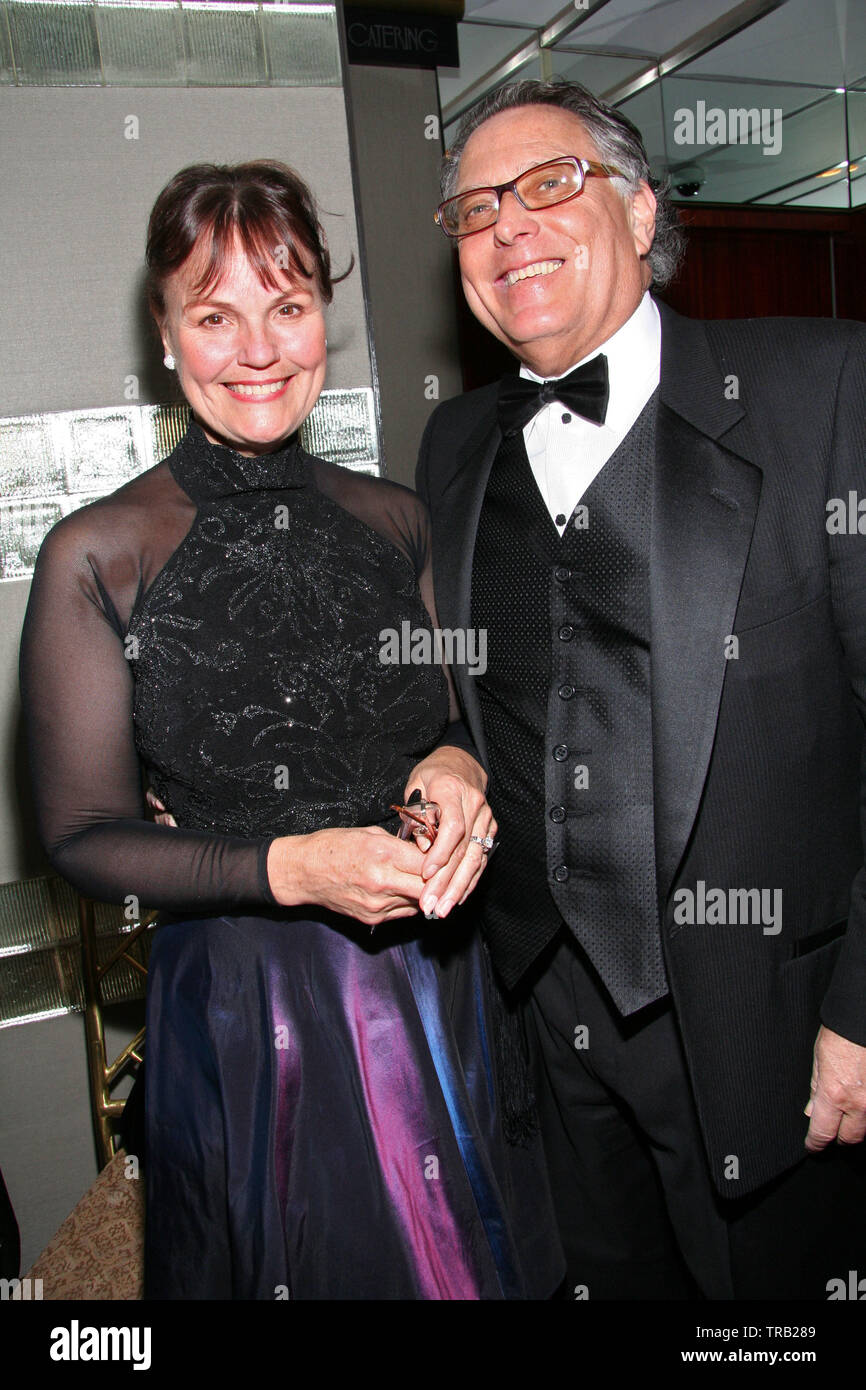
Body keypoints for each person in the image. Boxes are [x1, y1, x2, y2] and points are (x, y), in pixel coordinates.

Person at [19, 160, 564, 1301]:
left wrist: (455, 767)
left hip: (441, 978)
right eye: (214, 315)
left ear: (325, 318)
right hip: (249, 1006)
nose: (258, 349)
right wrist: (286, 865)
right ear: (165, 339)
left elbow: (455, 715)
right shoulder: (97, 554)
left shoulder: (396, 519)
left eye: (288, 305)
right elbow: (78, 835)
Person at [418, 78, 866, 1300]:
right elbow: (464, 685)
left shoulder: (819, 389)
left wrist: (862, 1013)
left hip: (768, 1032)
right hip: (544, 1020)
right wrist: (449, 751)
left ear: (637, 212)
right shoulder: (451, 448)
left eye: (547, 185)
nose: (507, 224)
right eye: (473, 208)